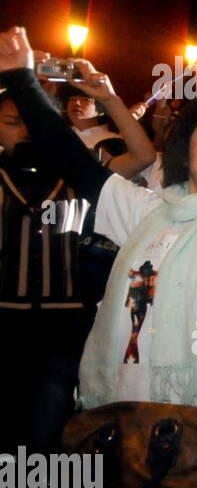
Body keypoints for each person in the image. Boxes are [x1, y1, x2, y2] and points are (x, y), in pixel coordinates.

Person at [0, 0, 197, 420]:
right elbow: (71, 158)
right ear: (185, 147)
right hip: (132, 413)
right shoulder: (147, 212)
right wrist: (22, 78)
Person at [0, 90, 95, 452]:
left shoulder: (78, 176)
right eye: (11, 123)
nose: (24, 131)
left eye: (33, 121)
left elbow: (142, 158)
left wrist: (109, 99)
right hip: (6, 315)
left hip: (65, 318)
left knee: (50, 424)